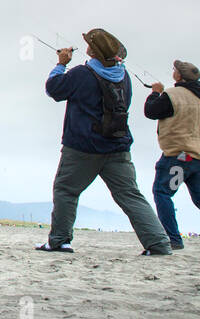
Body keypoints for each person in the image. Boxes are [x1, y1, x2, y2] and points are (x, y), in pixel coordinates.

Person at [38, 29, 171, 256]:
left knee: (66, 191)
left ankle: (59, 241)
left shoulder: (82, 73)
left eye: (90, 44)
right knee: (130, 195)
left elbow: (54, 89)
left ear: (94, 51)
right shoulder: (123, 76)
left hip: (82, 147)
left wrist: (61, 64)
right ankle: (159, 244)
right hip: (118, 146)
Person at [143, 60, 200, 254]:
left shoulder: (172, 95)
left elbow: (151, 112)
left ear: (178, 76)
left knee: (163, 193)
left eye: (175, 70)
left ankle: (173, 239)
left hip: (180, 157)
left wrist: (155, 93)